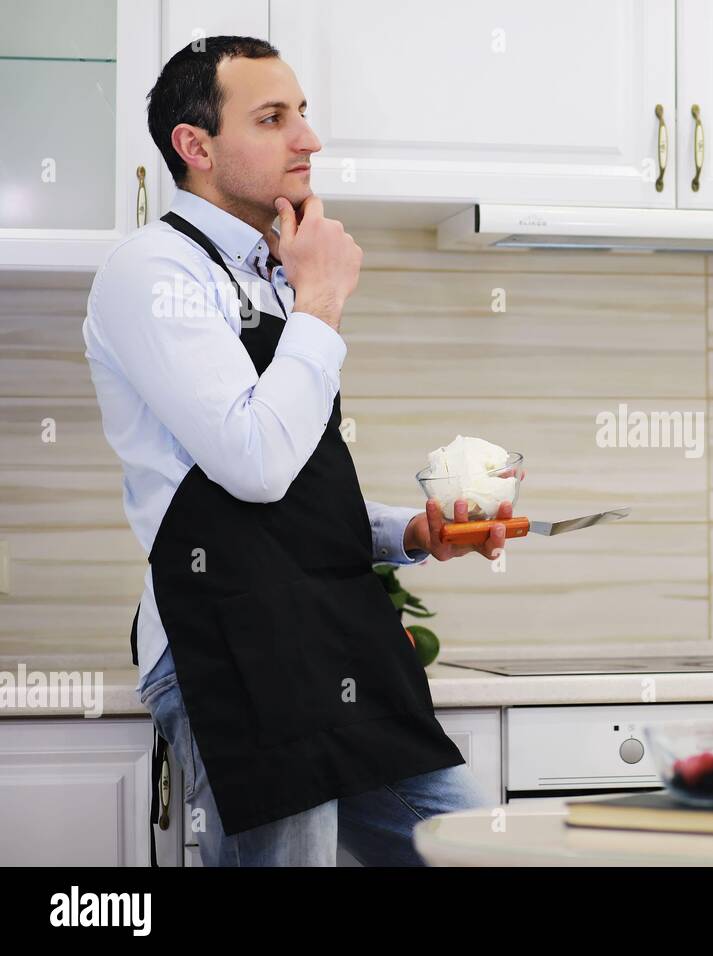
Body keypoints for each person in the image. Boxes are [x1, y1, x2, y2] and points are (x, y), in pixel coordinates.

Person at [83, 36, 509, 866]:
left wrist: (408, 534)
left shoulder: (268, 273)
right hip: (235, 646)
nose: (308, 139)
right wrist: (319, 302)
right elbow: (252, 459)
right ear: (195, 146)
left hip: (336, 637)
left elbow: (293, 489)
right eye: (273, 118)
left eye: (303, 113)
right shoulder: (153, 270)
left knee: (469, 851)